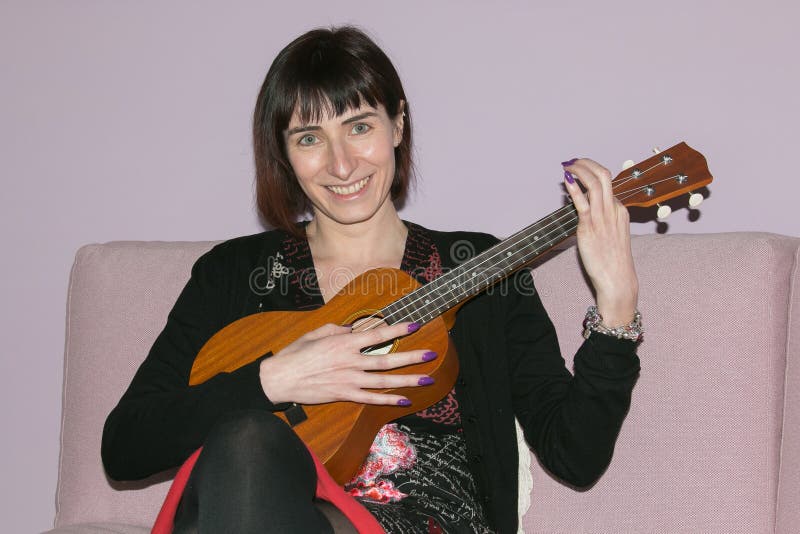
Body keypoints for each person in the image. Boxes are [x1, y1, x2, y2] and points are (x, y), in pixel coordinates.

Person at [101, 25, 641, 534]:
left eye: (359, 127)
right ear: (284, 156)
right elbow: (126, 444)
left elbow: (576, 456)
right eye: (309, 138)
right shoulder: (233, 274)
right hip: (256, 502)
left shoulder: (476, 265)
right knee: (247, 444)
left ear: (397, 126)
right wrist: (273, 380)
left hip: (420, 520)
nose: (341, 164)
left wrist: (615, 309)